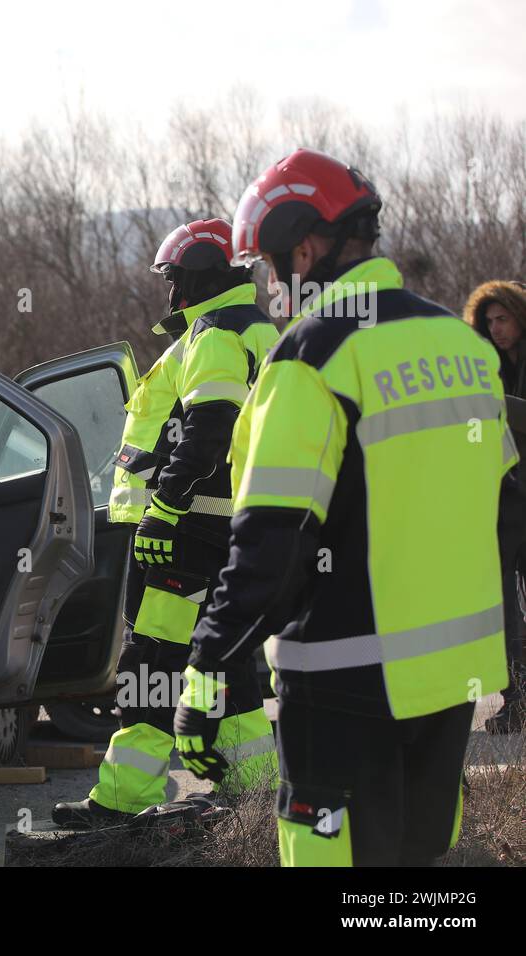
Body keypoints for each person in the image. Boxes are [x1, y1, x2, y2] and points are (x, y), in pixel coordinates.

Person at [175, 148, 516, 866]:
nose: (271, 283)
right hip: (452, 680)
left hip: (341, 680)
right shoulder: (463, 346)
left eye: (271, 265)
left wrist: (206, 672)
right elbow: (504, 512)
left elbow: (272, 542)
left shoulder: (311, 357)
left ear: (305, 248)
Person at [52, 218, 279, 828]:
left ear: (198, 274)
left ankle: (120, 800)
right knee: (223, 660)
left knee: (150, 662)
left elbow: (209, 427)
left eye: (173, 277)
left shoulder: (215, 333)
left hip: (185, 528)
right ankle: (259, 791)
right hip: (228, 524)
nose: (169, 290)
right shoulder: (257, 327)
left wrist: (165, 508)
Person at [465, 280, 526, 732]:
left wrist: (494, 403)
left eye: (502, 318)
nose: (496, 329)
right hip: (503, 499)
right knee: (503, 602)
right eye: (489, 322)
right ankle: (516, 696)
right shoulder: (489, 364)